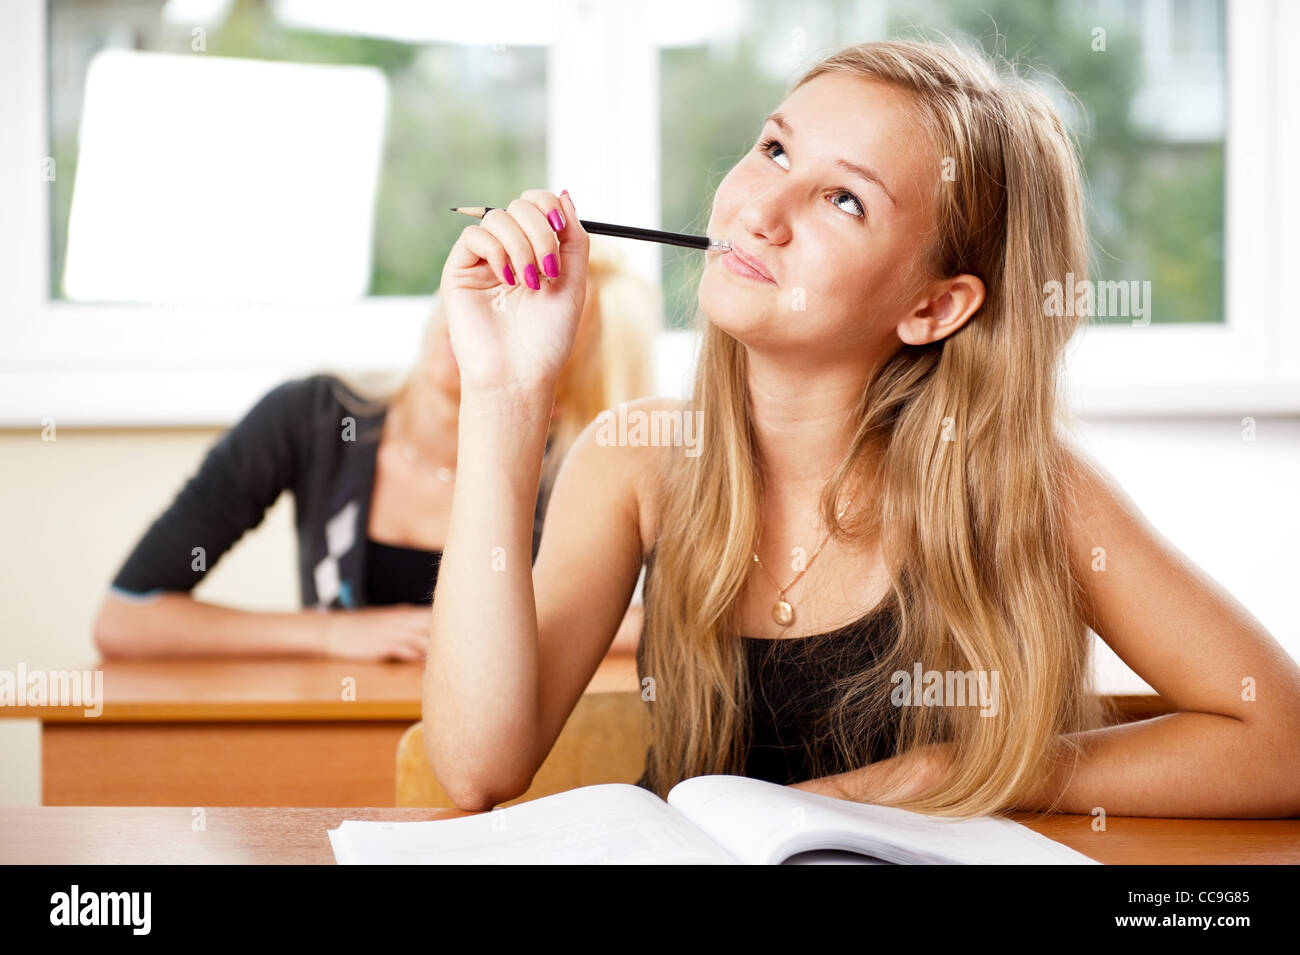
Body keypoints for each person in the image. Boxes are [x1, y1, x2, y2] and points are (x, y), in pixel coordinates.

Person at [422, 39, 1300, 819]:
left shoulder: (1021, 487)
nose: (761, 214)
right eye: (773, 150)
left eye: (843, 200)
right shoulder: (634, 460)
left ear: (933, 306)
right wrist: (506, 392)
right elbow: (475, 769)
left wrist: (955, 774)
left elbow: (1280, 737)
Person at [93, 236, 658, 661]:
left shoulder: (580, 472)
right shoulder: (309, 418)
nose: (485, 310)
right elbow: (125, 618)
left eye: (528, 312)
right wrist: (331, 633)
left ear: (562, 393)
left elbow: (671, 626)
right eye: (496, 282)